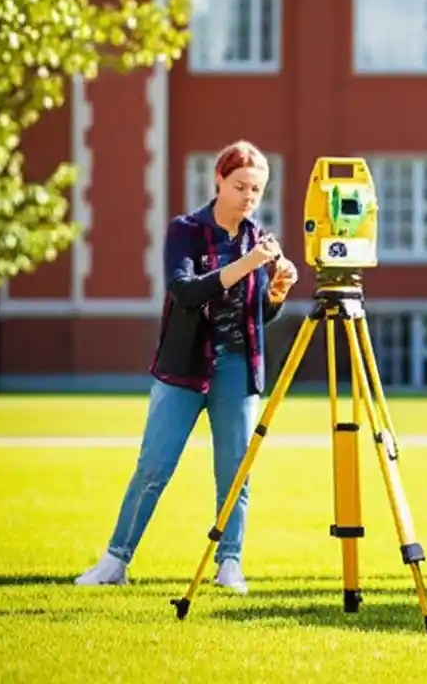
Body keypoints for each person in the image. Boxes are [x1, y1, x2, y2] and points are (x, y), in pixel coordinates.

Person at [74, 140, 299, 593]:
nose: (249, 198)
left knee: (235, 472)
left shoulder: (258, 239)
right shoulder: (185, 231)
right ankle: (115, 562)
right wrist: (245, 264)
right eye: (240, 187)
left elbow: (256, 314)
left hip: (237, 369)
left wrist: (276, 291)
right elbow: (186, 293)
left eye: (256, 190)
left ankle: (229, 563)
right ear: (218, 180)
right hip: (184, 367)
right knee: (153, 467)